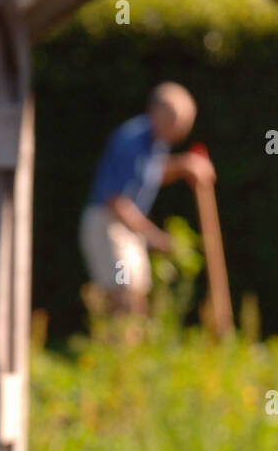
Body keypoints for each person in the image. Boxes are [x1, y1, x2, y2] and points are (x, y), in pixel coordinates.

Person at [79, 82, 216, 314]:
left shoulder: (156, 143)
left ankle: (129, 346)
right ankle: (118, 347)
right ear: (157, 112)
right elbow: (116, 201)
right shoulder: (131, 140)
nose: (182, 129)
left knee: (138, 292)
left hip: (124, 227)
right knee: (122, 290)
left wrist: (184, 165)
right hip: (109, 224)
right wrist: (155, 236)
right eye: (177, 121)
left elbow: (150, 174)